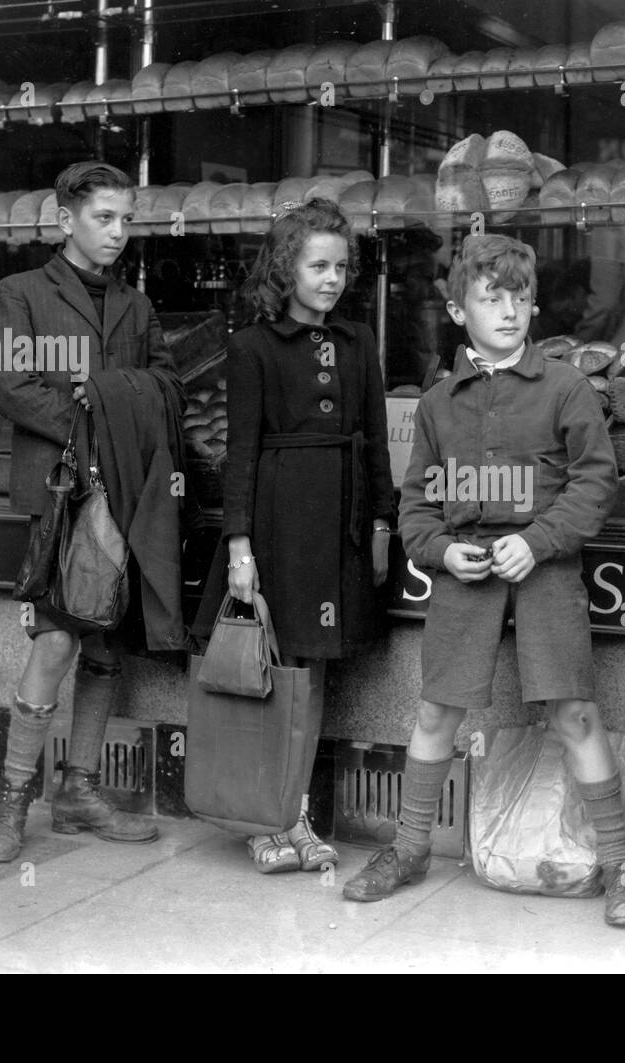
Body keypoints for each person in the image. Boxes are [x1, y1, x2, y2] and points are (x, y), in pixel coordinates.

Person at [342, 233, 625, 927]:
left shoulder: (566, 388)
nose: (509, 310)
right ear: (459, 311)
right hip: (465, 570)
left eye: (520, 296)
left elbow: (595, 483)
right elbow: (415, 504)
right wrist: (441, 552)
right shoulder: (438, 402)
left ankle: (618, 858)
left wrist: (537, 542)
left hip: (546, 569)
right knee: (434, 711)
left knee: (574, 711)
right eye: (490, 297)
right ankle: (411, 845)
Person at [0, 160, 186, 861]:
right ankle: (12, 800)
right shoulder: (22, 292)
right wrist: (89, 416)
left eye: (127, 218)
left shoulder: (138, 305)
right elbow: (10, 384)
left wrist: (108, 393)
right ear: (65, 219)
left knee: (104, 643)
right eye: (105, 217)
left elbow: (166, 384)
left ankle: (80, 788)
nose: (119, 232)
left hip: (122, 495)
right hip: (60, 497)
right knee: (58, 639)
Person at [220, 198, 395, 873]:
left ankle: (296, 815)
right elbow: (242, 453)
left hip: (342, 525)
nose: (332, 278)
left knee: (314, 672)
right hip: (279, 527)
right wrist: (241, 548)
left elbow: (377, 438)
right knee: (276, 673)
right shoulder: (253, 346)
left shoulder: (358, 343)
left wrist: (381, 521)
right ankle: (263, 819)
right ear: (285, 267)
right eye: (317, 264)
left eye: (341, 266)